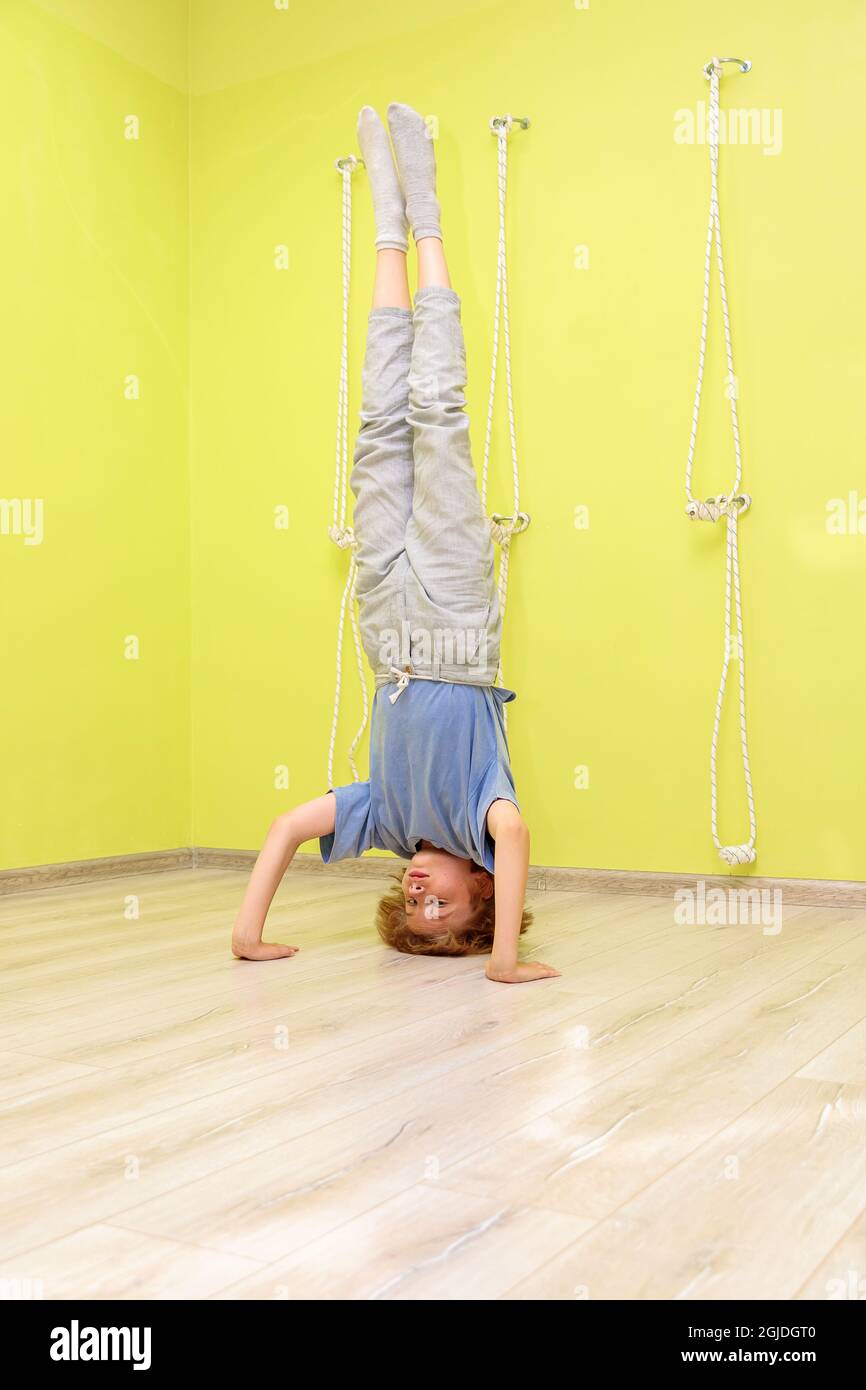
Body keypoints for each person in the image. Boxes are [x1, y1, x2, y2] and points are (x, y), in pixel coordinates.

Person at [231, 104, 559, 985]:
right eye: (442, 905)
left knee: (381, 428)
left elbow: (286, 830)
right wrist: (502, 963)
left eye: (412, 908)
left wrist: (246, 936)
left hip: (383, 620)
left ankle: (386, 224)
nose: (420, 892)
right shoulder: (488, 818)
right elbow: (519, 836)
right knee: (437, 418)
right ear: (484, 890)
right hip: (452, 615)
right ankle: (429, 221)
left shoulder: (381, 819)